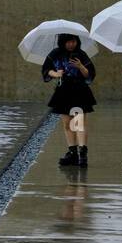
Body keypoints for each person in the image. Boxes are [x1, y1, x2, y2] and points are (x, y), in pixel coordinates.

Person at [41, 33, 96, 166]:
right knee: (67, 124)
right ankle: (72, 152)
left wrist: (80, 67)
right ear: (62, 42)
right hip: (63, 91)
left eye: (74, 41)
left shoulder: (81, 54)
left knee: (78, 122)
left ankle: (82, 153)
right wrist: (56, 74)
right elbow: (46, 69)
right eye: (68, 42)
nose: (72, 44)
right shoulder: (55, 53)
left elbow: (90, 74)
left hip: (79, 91)